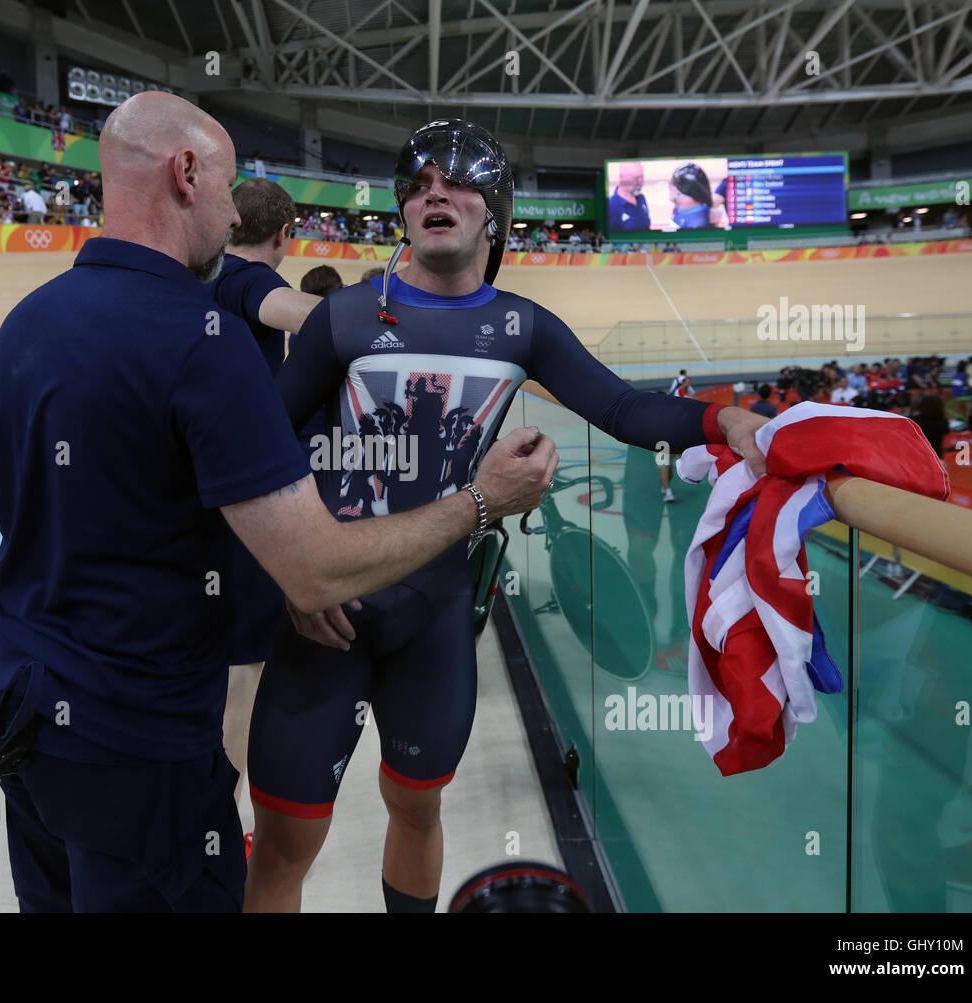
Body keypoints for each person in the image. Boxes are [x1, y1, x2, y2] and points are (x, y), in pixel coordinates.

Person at [0, 93, 558, 914]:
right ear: (186, 174)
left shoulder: (24, 325)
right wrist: (480, 499)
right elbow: (314, 568)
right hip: (139, 745)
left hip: (19, 715)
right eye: (227, 184)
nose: (232, 209)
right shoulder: (201, 346)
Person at [243, 118, 767, 913]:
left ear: (494, 212)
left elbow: (621, 407)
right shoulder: (344, 317)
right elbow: (264, 452)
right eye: (417, 185)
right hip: (329, 609)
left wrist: (723, 422)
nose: (433, 194)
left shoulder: (524, 327)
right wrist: (291, 574)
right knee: (284, 841)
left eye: (455, 183)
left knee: (417, 805)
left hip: (435, 614)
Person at [206, 177, 326, 810]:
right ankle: (227, 825)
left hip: (202, 498)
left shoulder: (198, 278)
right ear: (284, 235)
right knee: (242, 675)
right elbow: (299, 315)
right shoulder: (248, 280)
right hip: (243, 510)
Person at [608, 162, 649, 231]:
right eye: (636, 178)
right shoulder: (611, 205)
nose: (640, 182)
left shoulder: (641, 199)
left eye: (642, 177)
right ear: (622, 177)